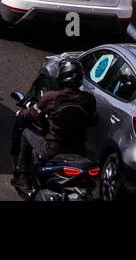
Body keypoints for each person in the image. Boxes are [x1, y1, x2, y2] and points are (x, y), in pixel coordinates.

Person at [12, 57, 98, 195]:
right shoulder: (89, 99)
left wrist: (21, 113)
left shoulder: (51, 97)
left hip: (52, 150)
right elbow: (93, 121)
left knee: (26, 133)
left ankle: (21, 177)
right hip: (79, 151)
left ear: (61, 76)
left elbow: (32, 114)